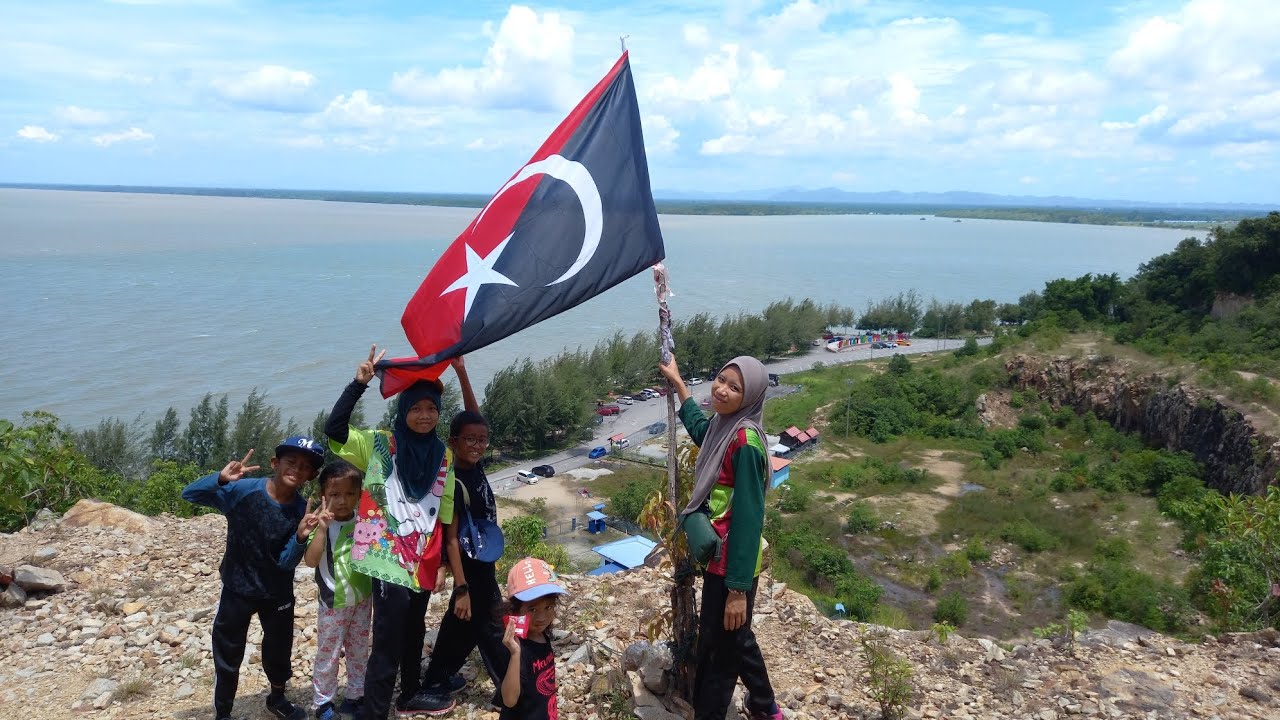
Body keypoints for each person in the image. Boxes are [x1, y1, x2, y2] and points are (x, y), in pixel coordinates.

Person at [324, 345, 477, 719]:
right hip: (385, 557)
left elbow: (443, 513)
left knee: (413, 630)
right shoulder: (379, 444)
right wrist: (358, 385)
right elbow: (334, 431)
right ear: (402, 410)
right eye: (416, 408)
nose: (424, 416)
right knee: (388, 641)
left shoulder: (442, 454)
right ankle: (375, 712)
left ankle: (409, 694)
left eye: (431, 409)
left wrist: (440, 562)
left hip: (421, 559)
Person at [657, 355, 783, 720]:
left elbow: (748, 521)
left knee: (718, 655)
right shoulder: (725, 428)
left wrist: (738, 591)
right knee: (732, 638)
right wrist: (680, 385)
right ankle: (764, 705)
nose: (722, 390)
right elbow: (703, 431)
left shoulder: (746, 443)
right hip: (722, 561)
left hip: (732, 567)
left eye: (734, 387)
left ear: (752, 396)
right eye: (721, 380)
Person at [182, 435, 326, 720]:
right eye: (290, 461)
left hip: (277, 592)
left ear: (311, 475)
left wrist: (300, 537)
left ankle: (277, 698)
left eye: (305, 466)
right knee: (228, 651)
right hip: (237, 587)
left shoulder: (302, 511)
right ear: (275, 463)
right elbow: (190, 495)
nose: (296, 469)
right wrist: (221, 479)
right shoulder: (243, 491)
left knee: (279, 649)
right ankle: (223, 712)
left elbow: (285, 563)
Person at [415, 409, 507, 706]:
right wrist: (461, 588)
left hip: (482, 563)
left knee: (463, 626)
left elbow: (476, 415)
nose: (478, 446)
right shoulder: (453, 481)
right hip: (470, 570)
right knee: (492, 628)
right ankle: (511, 690)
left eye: (483, 440)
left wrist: (462, 372)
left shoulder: (475, 466)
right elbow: (451, 539)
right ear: (453, 442)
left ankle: (436, 680)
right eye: (470, 440)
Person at [302, 459, 373, 720]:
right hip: (333, 601)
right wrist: (321, 528)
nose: (342, 500)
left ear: (359, 494)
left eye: (349, 494)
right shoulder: (319, 525)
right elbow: (310, 560)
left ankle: (355, 695)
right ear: (323, 496)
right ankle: (323, 702)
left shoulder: (364, 520)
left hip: (363, 598)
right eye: (334, 494)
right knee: (329, 654)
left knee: (358, 649)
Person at [498, 558, 566, 720]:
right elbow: (509, 700)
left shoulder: (542, 635)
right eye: (532, 609)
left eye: (548, 607)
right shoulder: (515, 646)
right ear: (515, 610)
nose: (542, 617)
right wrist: (515, 654)